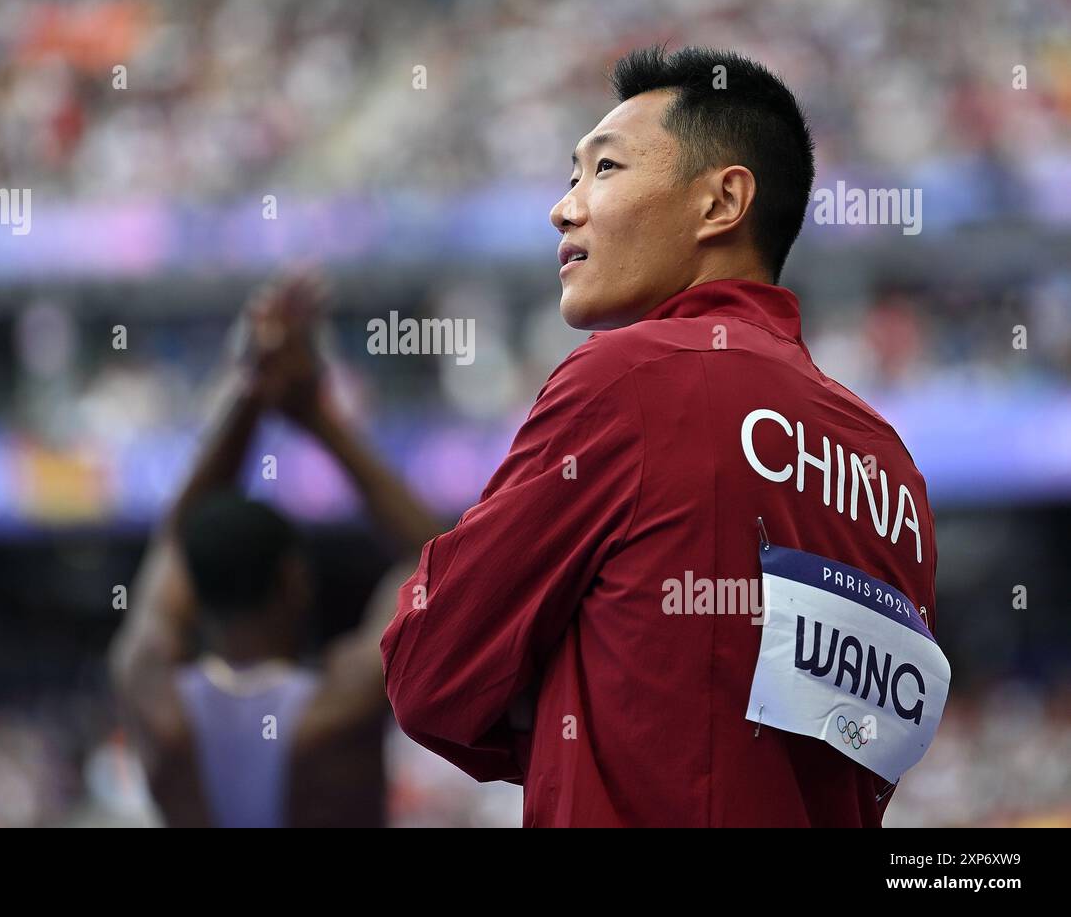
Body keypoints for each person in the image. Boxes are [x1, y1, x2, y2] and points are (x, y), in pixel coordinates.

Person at [381, 45, 949, 827]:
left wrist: (558, 697)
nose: (565, 206)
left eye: (603, 170)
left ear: (722, 201)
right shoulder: (892, 469)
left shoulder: (630, 379)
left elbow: (429, 670)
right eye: (570, 176)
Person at [111, 276, 441, 827]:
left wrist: (250, 394)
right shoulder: (339, 709)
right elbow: (440, 562)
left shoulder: (155, 701)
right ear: (295, 580)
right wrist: (316, 416)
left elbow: (175, 538)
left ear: (193, 587)